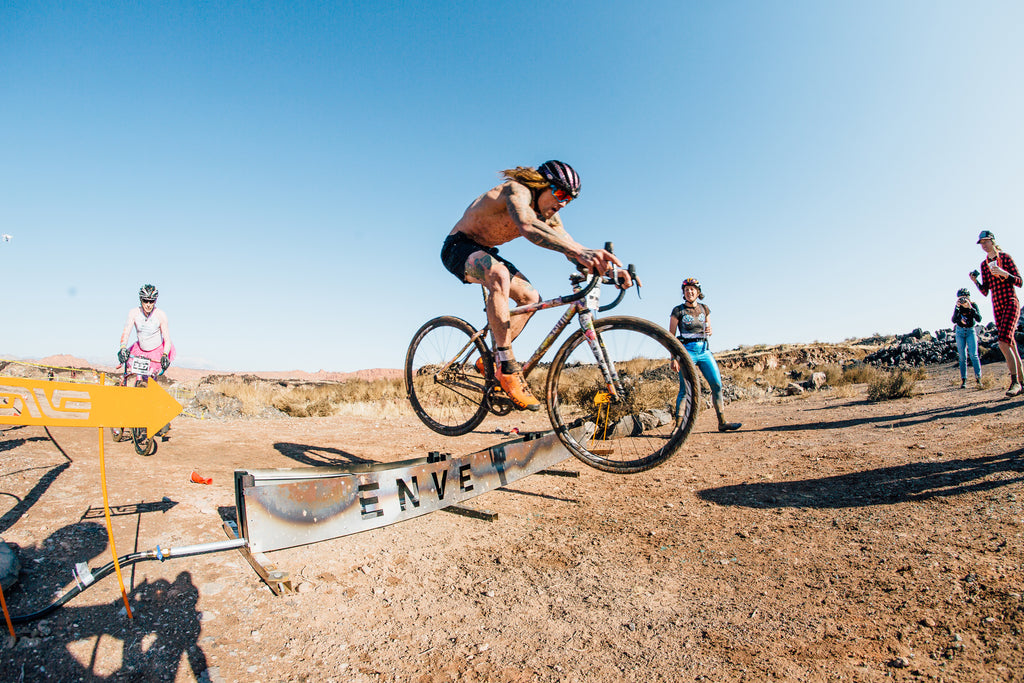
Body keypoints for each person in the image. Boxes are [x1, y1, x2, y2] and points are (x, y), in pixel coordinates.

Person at [440, 160, 632, 410]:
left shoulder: (551, 216)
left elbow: (573, 251)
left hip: (486, 252)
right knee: (499, 274)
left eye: (569, 200)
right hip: (458, 247)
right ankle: (507, 366)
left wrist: (610, 271)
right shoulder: (516, 191)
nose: (563, 203)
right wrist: (582, 252)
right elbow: (527, 225)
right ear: (543, 185)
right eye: (560, 194)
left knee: (531, 298)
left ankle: (489, 358)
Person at [668, 278, 741, 432]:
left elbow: (708, 326)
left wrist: (710, 330)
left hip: (704, 350)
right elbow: (671, 336)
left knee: (716, 385)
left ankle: (722, 422)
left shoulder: (704, 308)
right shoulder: (678, 310)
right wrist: (673, 358)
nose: (689, 292)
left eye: (692, 289)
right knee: (685, 389)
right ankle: (678, 428)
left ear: (698, 292)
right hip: (686, 352)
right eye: (686, 290)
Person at [969, 230, 1023, 397]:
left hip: (1010, 303)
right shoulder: (984, 265)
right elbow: (985, 291)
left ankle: (1014, 382)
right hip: (997, 306)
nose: (984, 245)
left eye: (986, 242)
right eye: (981, 243)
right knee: (1010, 344)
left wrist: (1005, 274)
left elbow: (1019, 282)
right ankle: (1022, 382)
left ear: (992, 241)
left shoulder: (1005, 258)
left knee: (1003, 342)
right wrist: (975, 281)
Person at [118, 284, 176, 435]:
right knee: (133, 377)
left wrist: (165, 355)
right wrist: (123, 347)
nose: (148, 304)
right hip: (139, 350)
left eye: (152, 301)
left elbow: (167, 339)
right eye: (145, 301)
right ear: (141, 300)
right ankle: (127, 414)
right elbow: (126, 331)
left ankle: (158, 419)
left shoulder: (161, 315)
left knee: (152, 385)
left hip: (156, 352)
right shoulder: (133, 313)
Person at [951, 287, 983, 389]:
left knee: (974, 355)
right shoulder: (958, 307)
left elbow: (979, 319)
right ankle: (964, 380)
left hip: (970, 331)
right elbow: (953, 320)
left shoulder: (973, 305)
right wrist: (957, 308)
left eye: (964, 297)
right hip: (960, 331)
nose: (963, 300)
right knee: (962, 357)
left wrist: (970, 308)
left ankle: (979, 379)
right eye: (961, 298)